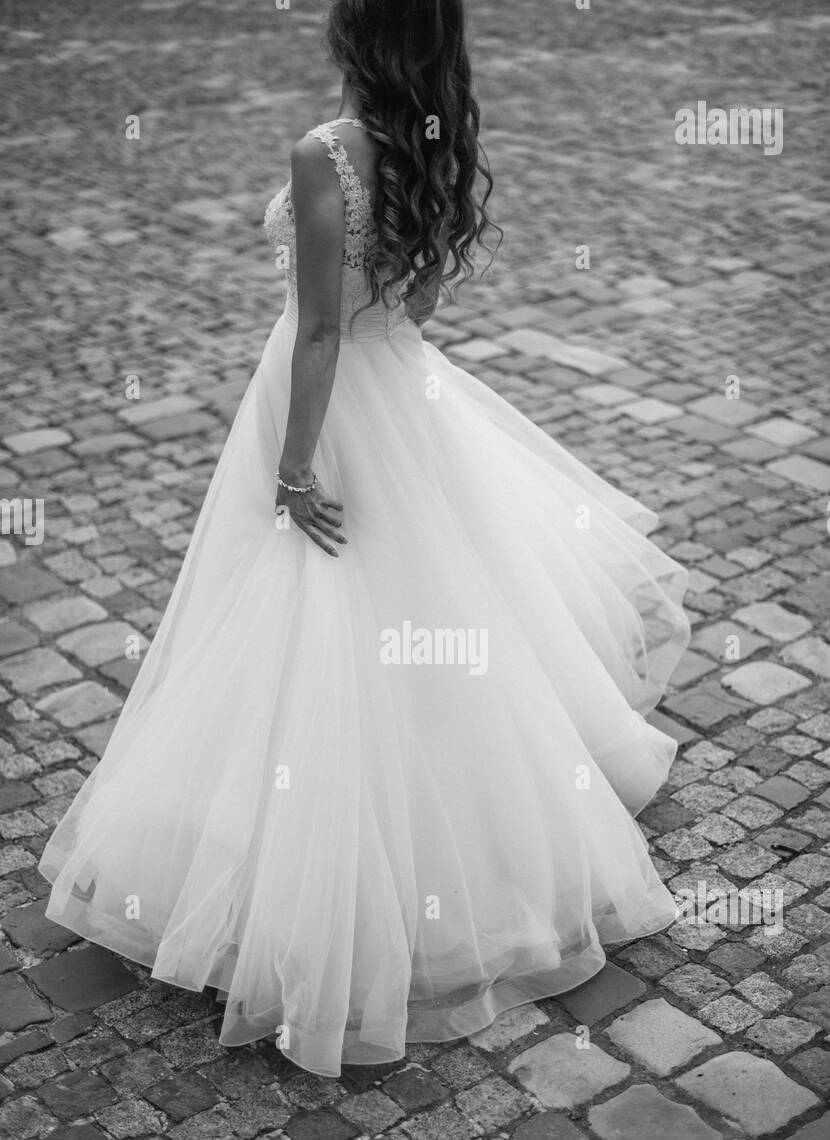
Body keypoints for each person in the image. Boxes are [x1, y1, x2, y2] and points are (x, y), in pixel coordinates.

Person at [40, 0, 690, 1077]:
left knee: (305, 609)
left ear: (358, 37)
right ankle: (467, 836)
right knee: (428, 614)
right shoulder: (434, 143)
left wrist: (295, 469)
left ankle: (298, 879)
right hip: (404, 397)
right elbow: (412, 307)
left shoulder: (324, 153)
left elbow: (322, 329)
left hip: (328, 406)